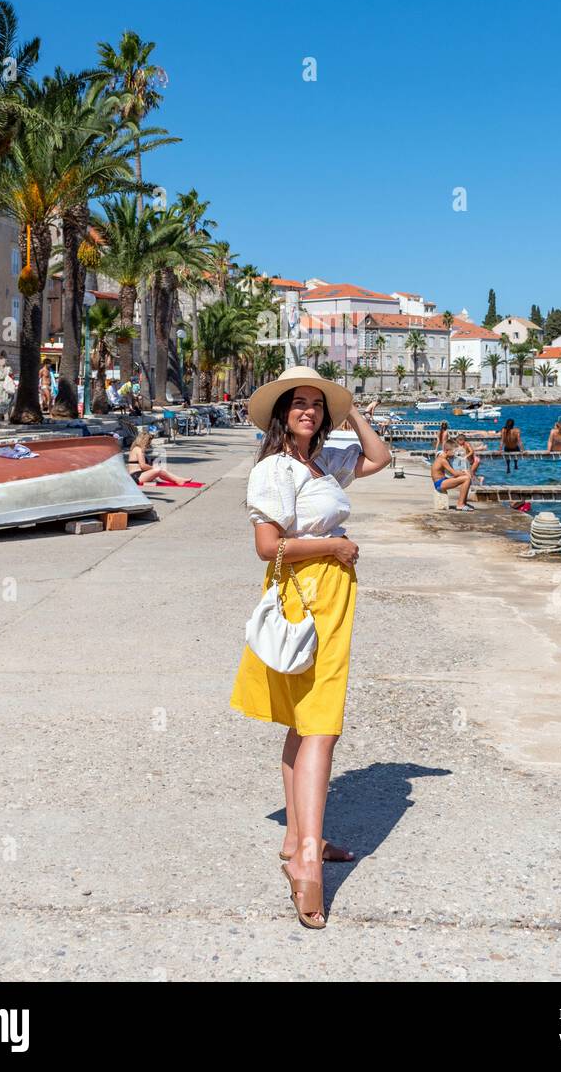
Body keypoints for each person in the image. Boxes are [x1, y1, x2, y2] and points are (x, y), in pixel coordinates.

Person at [229, 365, 390, 930]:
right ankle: (304, 861)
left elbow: (380, 458)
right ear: (281, 413)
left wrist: (351, 411)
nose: (308, 411)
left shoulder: (320, 464)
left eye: (317, 405)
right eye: (298, 403)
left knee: (304, 721)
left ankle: (300, 838)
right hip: (306, 595)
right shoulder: (275, 468)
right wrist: (335, 545)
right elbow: (267, 546)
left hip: (330, 595)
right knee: (321, 723)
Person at [126, 431, 202, 488]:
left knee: (159, 470)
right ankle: (178, 480)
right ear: (144, 441)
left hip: (137, 475)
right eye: (148, 442)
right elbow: (143, 466)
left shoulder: (135, 448)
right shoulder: (139, 450)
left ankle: (179, 479)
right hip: (136, 477)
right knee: (158, 470)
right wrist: (154, 468)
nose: (149, 444)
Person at [429, 437, 473, 509]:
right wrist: (465, 473)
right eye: (453, 452)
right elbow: (454, 474)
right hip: (440, 484)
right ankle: (460, 504)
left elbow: (454, 472)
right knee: (466, 478)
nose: (454, 454)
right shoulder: (442, 460)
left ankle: (464, 502)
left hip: (442, 481)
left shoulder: (444, 457)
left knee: (466, 478)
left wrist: (463, 472)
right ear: (446, 451)